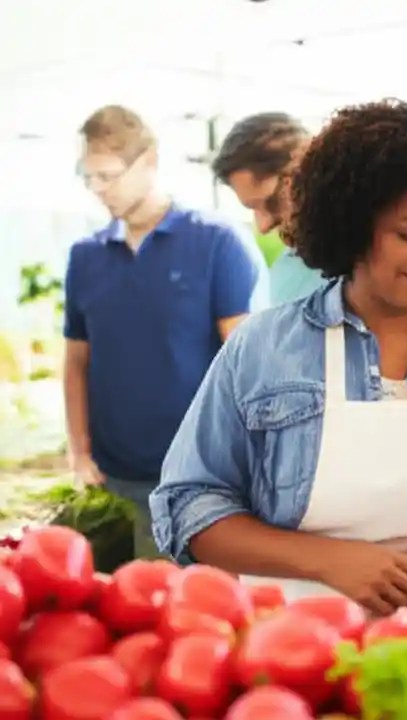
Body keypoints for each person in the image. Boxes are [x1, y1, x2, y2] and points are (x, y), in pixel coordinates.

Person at [151, 101, 407, 612]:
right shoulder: (261, 348)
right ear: (354, 228)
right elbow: (190, 506)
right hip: (302, 640)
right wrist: (327, 559)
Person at [63, 105, 268, 559]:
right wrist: (79, 451)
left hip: (201, 481)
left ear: (150, 161)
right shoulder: (84, 257)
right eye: (88, 176)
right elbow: (76, 361)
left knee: (196, 611)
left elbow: (247, 359)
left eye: (108, 175)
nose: (98, 190)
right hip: (117, 477)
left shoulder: (217, 241)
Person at [213, 112, 326, 306]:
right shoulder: (288, 269)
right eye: (253, 209)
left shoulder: (375, 258)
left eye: (271, 202)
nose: (263, 226)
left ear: (304, 169)